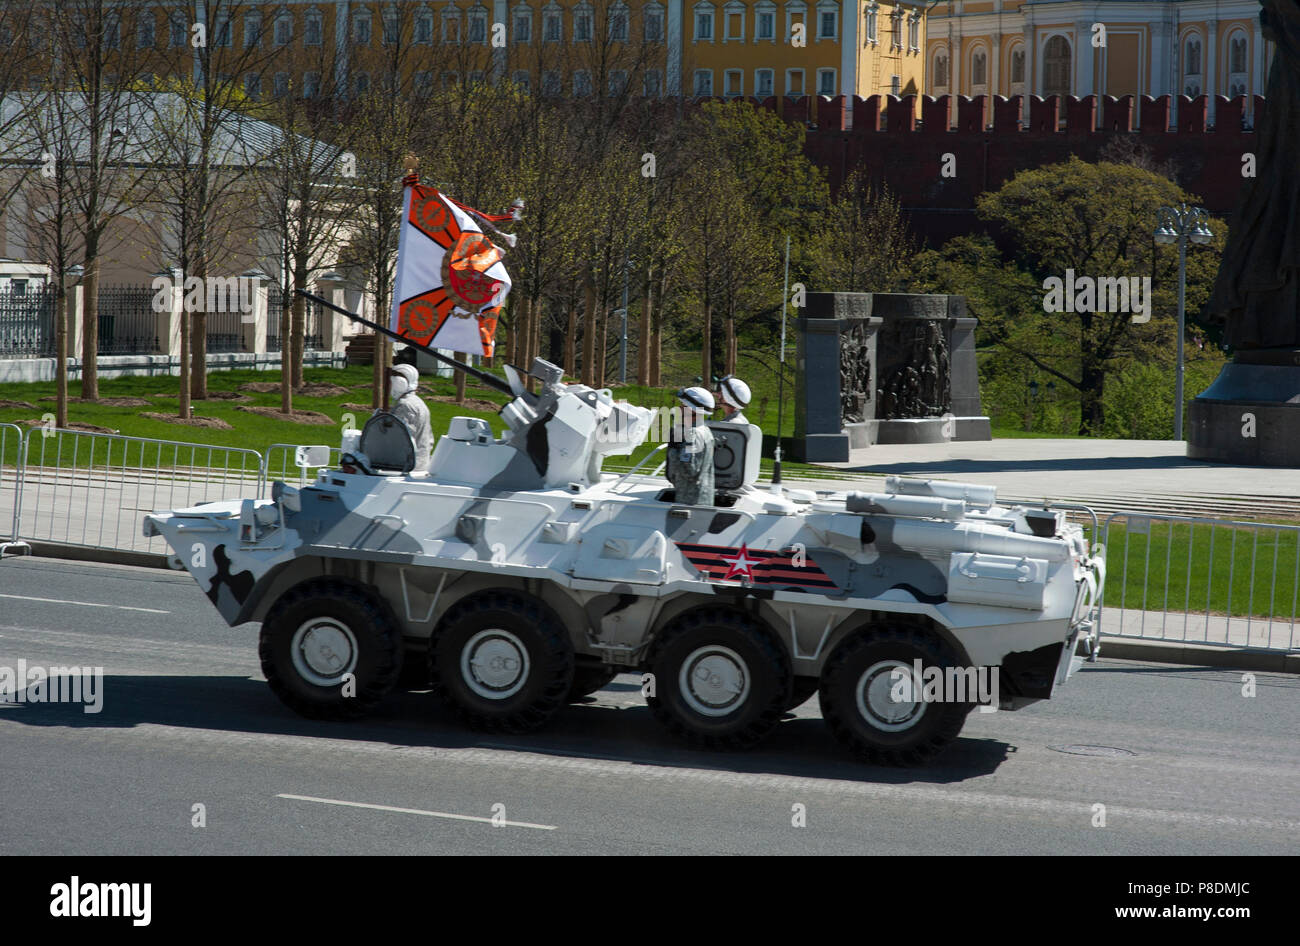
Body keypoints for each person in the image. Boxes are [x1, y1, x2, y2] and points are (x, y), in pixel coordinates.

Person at [666, 386, 715, 505]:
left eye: (682, 405)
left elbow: (690, 471)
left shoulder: (692, 435)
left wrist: (673, 449)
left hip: (690, 503)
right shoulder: (703, 430)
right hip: (699, 499)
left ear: (692, 411)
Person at [379, 363, 432, 473]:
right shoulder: (418, 402)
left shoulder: (405, 406)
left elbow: (401, 439)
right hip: (420, 463)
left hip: (407, 467)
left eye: (390, 382)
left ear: (399, 383)